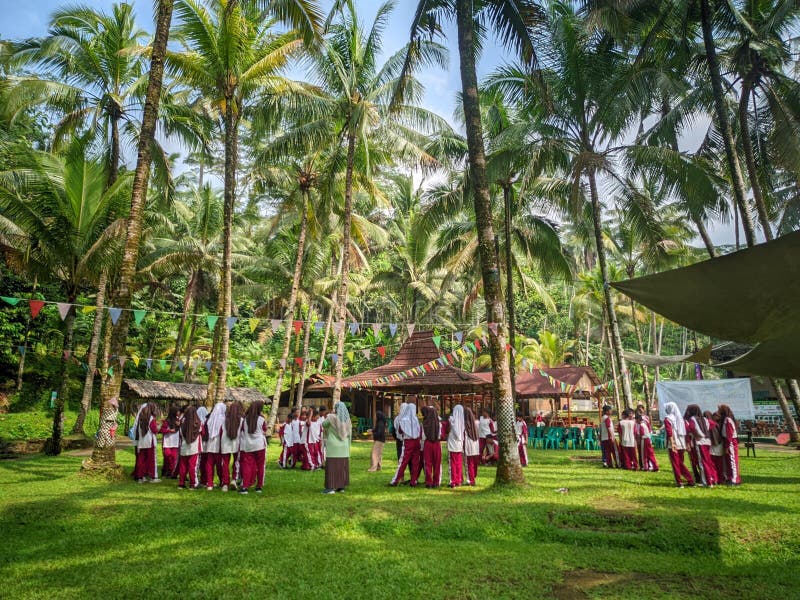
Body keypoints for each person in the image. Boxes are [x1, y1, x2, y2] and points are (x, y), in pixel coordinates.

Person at [684, 404, 717, 487]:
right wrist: (705, 431)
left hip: (700, 442)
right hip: (707, 441)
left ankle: (706, 482)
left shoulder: (692, 419)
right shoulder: (705, 419)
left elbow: (690, 428)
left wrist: (696, 434)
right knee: (708, 461)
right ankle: (711, 479)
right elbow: (713, 424)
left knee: (702, 462)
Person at [321, 401, 351, 494]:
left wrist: (331, 414)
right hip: (344, 447)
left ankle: (330, 488)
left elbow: (323, 425)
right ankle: (340, 487)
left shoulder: (331, 417)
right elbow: (349, 435)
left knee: (332, 467)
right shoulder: (347, 421)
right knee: (341, 468)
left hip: (333, 447)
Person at [390, 403, 422, 487]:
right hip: (417, 442)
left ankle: (395, 480)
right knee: (415, 462)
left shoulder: (403, 420)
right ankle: (413, 481)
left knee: (403, 461)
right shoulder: (416, 420)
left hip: (408, 442)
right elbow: (420, 431)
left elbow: (400, 431)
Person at [664, 402, 694, 488]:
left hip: (673, 443)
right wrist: (687, 443)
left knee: (675, 463)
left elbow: (669, 432)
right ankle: (690, 480)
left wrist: (672, 443)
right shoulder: (681, 419)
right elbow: (686, 432)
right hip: (681, 443)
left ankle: (679, 482)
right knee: (680, 463)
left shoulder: (668, 419)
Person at [239, 401, 267, 494]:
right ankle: (259, 486)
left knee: (247, 466)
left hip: (248, 446)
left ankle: (245, 487)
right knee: (260, 466)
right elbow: (264, 430)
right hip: (260, 446)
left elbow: (242, 430)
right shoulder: (261, 419)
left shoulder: (245, 419)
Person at [133, 402, 160, 483]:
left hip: (141, 443)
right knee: (151, 461)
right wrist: (158, 427)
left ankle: (141, 478)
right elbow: (154, 430)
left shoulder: (140, 418)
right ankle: (153, 477)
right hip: (150, 442)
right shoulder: (151, 418)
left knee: (141, 461)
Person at [220, 400, 243, 491]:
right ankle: (234, 479)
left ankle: (225, 484)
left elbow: (221, 432)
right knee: (236, 462)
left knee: (225, 464)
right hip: (236, 444)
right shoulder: (241, 420)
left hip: (225, 443)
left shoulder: (223, 419)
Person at [203, 401, 226, 490]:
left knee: (209, 465)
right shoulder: (223, 419)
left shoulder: (210, 419)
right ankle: (222, 481)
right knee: (220, 465)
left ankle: (210, 483)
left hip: (210, 445)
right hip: (219, 445)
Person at [178, 405, 202, 489]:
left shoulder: (182, 424)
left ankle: (181, 483)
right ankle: (193, 483)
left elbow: (180, 435)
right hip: (194, 448)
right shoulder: (198, 423)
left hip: (184, 447)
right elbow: (202, 432)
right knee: (193, 466)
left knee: (183, 466)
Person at [718, 404, 741, 485]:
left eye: (719, 409)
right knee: (729, 461)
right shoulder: (726, 419)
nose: (718, 411)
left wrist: (727, 446)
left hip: (730, 442)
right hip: (728, 442)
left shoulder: (728, 420)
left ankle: (735, 479)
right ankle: (731, 477)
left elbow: (729, 434)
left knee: (732, 461)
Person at [421, 406, 442, 488]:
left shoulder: (424, 423)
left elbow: (423, 436)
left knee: (428, 463)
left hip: (427, 443)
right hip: (436, 443)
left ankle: (429, 482)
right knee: (437, 463)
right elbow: (440, 435)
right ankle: (436, 482)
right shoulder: (439, 424)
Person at [159, 405, 181, 479]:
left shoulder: (178, 420)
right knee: (167, 457)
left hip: (175, 442)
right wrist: (169, 430)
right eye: (177, 411)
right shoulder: (167, 421)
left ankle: (171, 472)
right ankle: (165, 472)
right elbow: (162, 430)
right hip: (167, 442)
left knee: (174, 457)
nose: (179, 413)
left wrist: (179, 425)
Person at [447, 405, 465, 487]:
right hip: (459, 444)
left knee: (453, 464)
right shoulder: (462, 421)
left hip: (453, 444)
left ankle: (453, 481)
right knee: (458, 463)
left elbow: (450, 430)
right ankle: (458, 480)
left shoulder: (452, 420)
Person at [464, 408, 480, 486]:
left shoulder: (465, 424)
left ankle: (471, 480)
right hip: (476, 447)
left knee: (469, 464)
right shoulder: (475, 424)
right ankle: (473, 477)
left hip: (469, 447)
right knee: (474, 463)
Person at [706, 411, 725, 480]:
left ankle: (717, 478)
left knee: (716, 464)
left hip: (716, 446)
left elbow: (715, 436)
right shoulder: (717, 424)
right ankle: (718, 478)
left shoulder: (714, 424)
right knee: (717, 464)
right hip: (717, 446)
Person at [196, 406, 209, 486]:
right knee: (206, 463)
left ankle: (200, 479)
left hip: (200, 445)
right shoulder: (209, 421)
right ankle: (206, 479)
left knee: (200, 463)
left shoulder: (196, 422)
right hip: (207, 445)